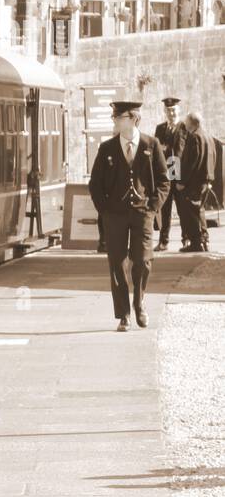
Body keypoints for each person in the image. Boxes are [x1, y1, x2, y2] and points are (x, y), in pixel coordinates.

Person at [88, 101, 170, 331]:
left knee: (143, 260)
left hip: (143, 213)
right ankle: (124, 314)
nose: (114, 120)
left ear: (133, 118)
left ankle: (139, 302)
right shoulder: (107, 149)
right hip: (114, 215)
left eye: (119, 116)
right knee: (117, 262)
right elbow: (95, 184)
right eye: (114, 117)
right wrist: (104, 210)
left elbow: (164, 181)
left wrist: (153, 206)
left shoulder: (150, 144)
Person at [154, 97, 186, 251]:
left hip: (178, 174)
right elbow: (156, 150)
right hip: (165, 175)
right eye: (168, 110)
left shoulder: (184, 127)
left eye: (173, 110)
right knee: (164, 210)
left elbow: (184, 153)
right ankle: (163, 241)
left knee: (182, 209)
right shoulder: (160, 128)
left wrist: (182, 178)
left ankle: (186, 239)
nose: (171, 113)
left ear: (178, 110)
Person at [179, 112, 212, 252]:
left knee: (191, 213)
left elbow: (192, 162)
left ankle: (196, 243)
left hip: (194, 183)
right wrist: (209, 178)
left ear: (193, 123)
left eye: (186, 122)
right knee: (199, 210)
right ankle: (204, 240)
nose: (185, 124)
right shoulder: (207, 136)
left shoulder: (194, 137)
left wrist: (183, 181)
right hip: (204, 180)